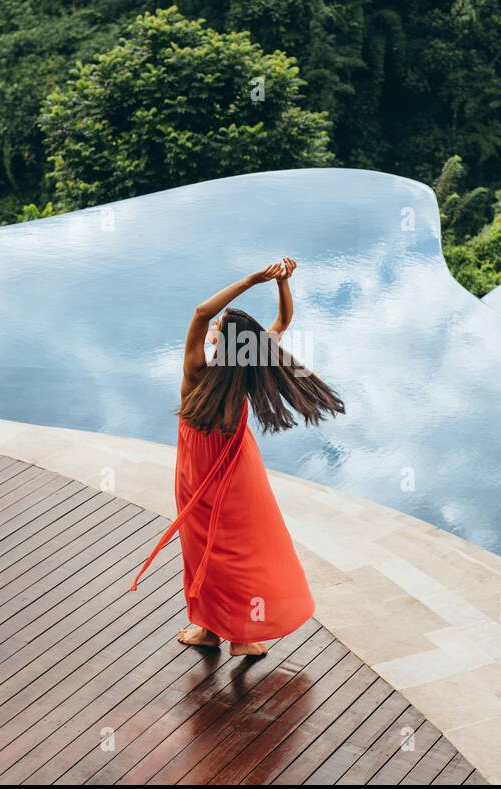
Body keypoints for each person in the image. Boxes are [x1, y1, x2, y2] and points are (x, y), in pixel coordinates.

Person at [129, 259, 345, 656]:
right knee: (239, 550)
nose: (213, 324)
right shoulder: (246, 366)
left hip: (197, 475)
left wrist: (253, 280)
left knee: (203, 550)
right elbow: (283, 319)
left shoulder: (196, 371)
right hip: (237, 473)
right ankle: (235, 634)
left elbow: (200, 311)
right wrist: (282, 284)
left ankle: (215, 630)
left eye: (219, 324)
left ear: (220, 338)